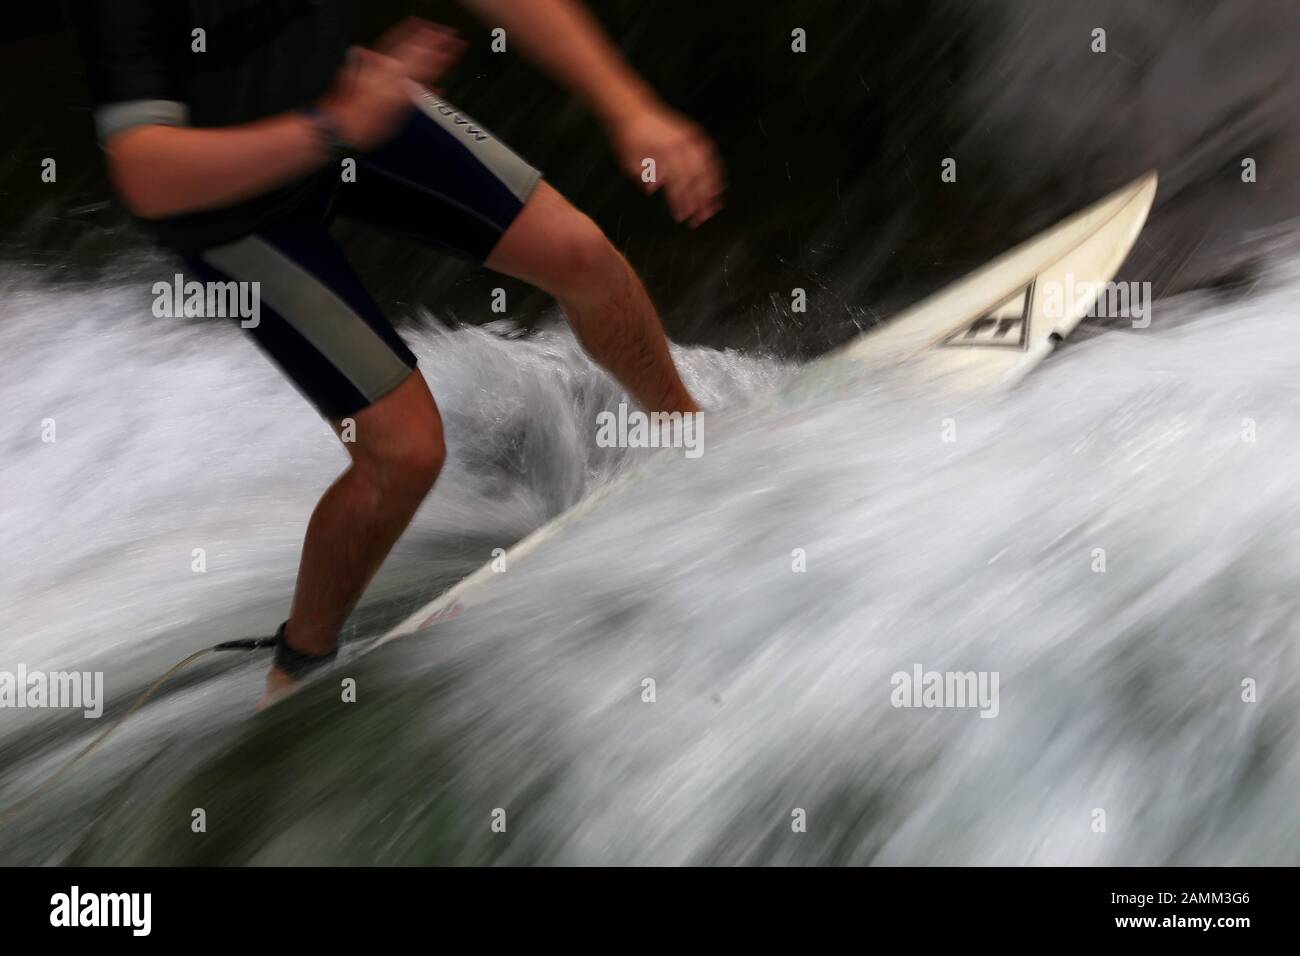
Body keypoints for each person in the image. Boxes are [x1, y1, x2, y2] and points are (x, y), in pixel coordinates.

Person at [68, 0, 725, 703]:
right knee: (405, 451)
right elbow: (148, 174)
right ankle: (300, 665)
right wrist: (334, 127)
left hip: (350, 107)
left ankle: (692, 440)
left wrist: (628, 107)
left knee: (582, 255)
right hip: (227, 205)